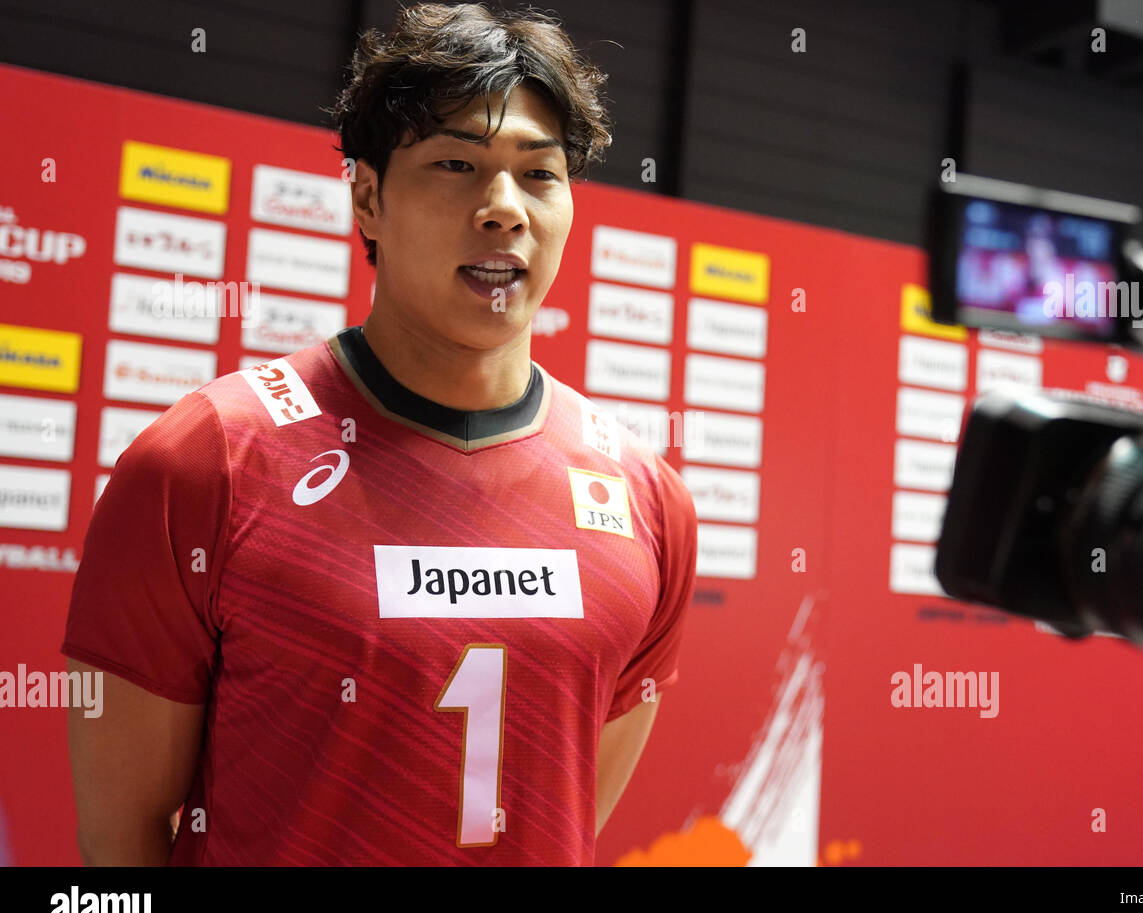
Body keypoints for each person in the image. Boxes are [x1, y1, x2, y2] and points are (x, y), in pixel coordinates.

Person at [63, 2, 697, 866]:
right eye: (456, 163)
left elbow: (567, 816)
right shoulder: (206, 460)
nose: (503, 207)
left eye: (540, 174)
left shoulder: (647, 499)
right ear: (367, 196)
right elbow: (118, 845)